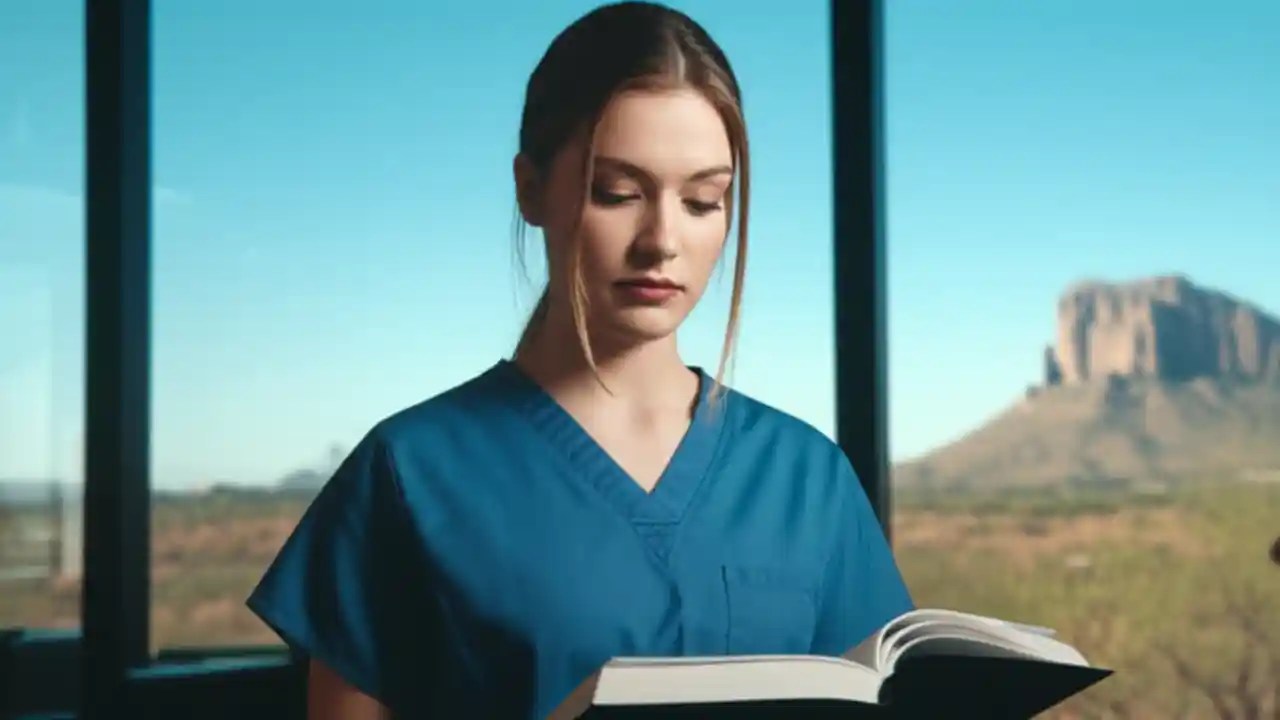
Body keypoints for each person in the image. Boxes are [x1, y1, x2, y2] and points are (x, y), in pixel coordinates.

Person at [245, 2, 914, 718]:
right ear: (531, 189)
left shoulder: (806, 479)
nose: (661, 239)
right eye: (617, 193)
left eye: (702, 200)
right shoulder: (409, 474)